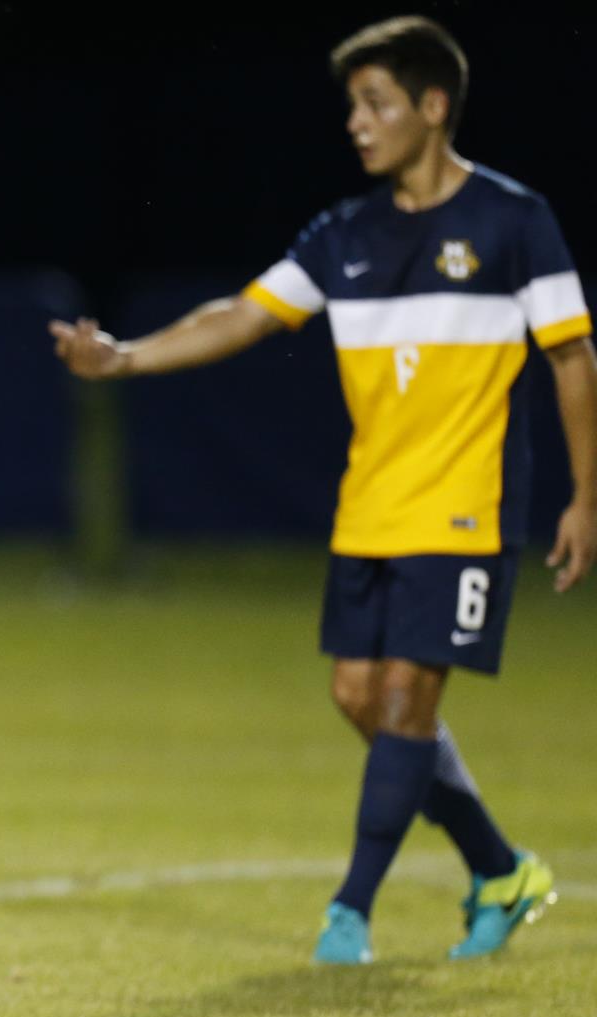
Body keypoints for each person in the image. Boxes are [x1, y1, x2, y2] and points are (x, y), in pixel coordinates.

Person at [50, 15, 593, 964]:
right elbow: (244, 315)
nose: (357, 121)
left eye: (376, 102)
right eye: (351, 105)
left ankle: (350, 911)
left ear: (434, 108)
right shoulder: (344, 234)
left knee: (409, 704)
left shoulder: (514, 221)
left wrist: (585, 497)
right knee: (360, 697)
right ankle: (501, 868)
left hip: (466, 507)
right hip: (370, 505)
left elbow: (573, 356)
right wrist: (125, 356)